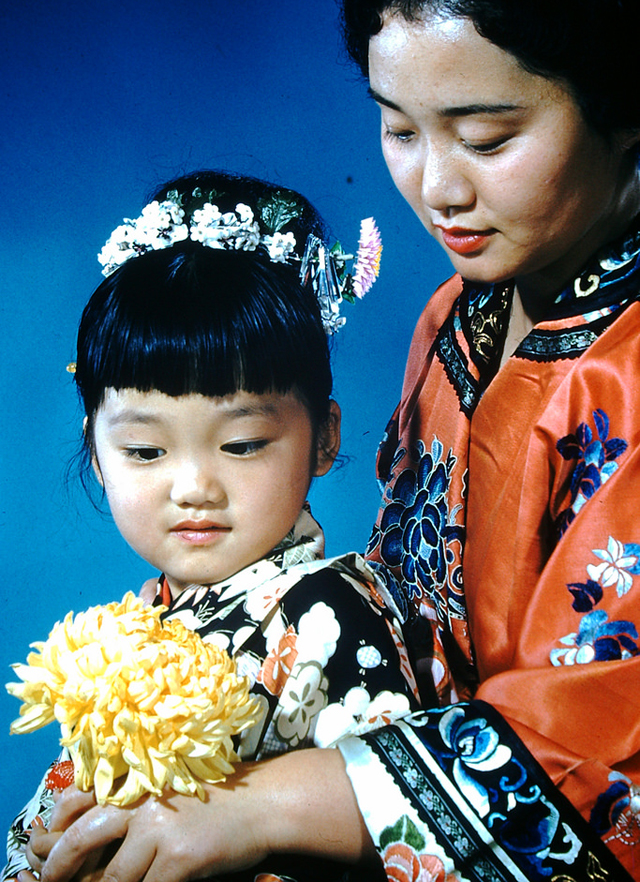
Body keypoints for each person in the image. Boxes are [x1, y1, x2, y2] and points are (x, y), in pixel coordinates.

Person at [22, 0, 640, 880]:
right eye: (399, 129)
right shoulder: (458, 314)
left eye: (487, 138)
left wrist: (264, 803)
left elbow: (604, 737)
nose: (437, 188)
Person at [3, 170, 416, 882]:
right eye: (144, 451)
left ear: (323, 437)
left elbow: (386, 837)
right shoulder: (138, 623)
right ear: (97, 455)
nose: (193, 486)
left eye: (243, 443)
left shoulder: (334, 612)